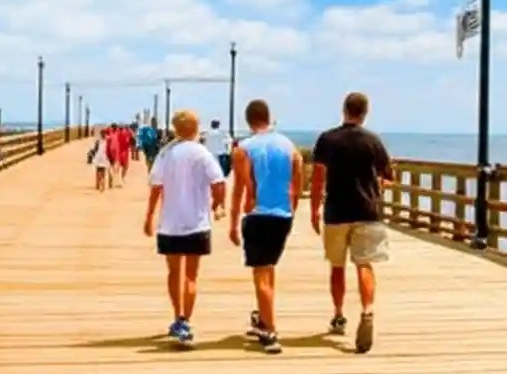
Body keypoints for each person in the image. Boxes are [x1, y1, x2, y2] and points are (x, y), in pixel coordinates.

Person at [310, 92, 393, 354]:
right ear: (365, 113)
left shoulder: (328, 139)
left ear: (344, 110)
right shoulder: (373, 141)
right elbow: (388, 176)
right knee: (364, 264)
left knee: (337, 266)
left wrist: (314, 209)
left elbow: (318, 178)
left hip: (336, 211)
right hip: (367, 211)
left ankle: (338, 314)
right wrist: (376, 187)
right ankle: (367, 311)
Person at [144, 110, 227, 347]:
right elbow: (219, 182)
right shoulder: (202, 153)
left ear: (175, 129)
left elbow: (156, 188)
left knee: (174, 273)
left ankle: (176, 316)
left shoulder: (166, 153)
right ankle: (185, 320)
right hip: (197, 223)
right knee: (191, 275)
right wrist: (217, 204)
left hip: (169, 224)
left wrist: (149, 216)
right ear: (196, 128)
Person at [229, 99, 303, 354]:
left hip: (258, 215)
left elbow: (240, 187)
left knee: (260, 273)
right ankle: (263, 316)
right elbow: (298, 181)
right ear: (268, 117)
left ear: (248, 120)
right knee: (269, 269)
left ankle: (270, 331)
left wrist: (232, 221)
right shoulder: (288, 145)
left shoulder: (244, 148)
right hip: (283, 215)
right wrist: (293, 208)